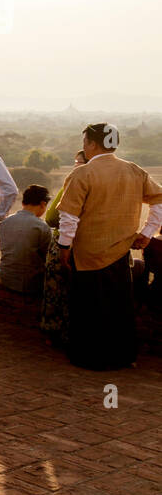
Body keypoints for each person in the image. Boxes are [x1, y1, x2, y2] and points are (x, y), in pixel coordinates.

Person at [56, 123, 162, 371]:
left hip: (88, 254)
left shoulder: (82, 174)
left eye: (85, 142)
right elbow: (159, 200)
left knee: (90, 307)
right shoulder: (134, 171)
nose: (84, 146)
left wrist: (64, 247)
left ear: (92, 144)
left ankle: (90, 357)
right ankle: (121, 356)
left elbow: (69, 217)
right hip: (120, 253)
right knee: (119, 307)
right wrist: (147, 233)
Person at [39, 151, 87, 347]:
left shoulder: (72, 184)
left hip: (65, 244)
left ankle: (54, 331)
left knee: (56, 288)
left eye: (79, 162)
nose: (75, 165)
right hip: (91, 247)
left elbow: (51, 218)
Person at [0, 185, 52, 296]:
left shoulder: (2, 224)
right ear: (43, 204)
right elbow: (46, 257)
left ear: (23, 203)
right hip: (31, 284)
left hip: (7, 278)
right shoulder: (42, 227)